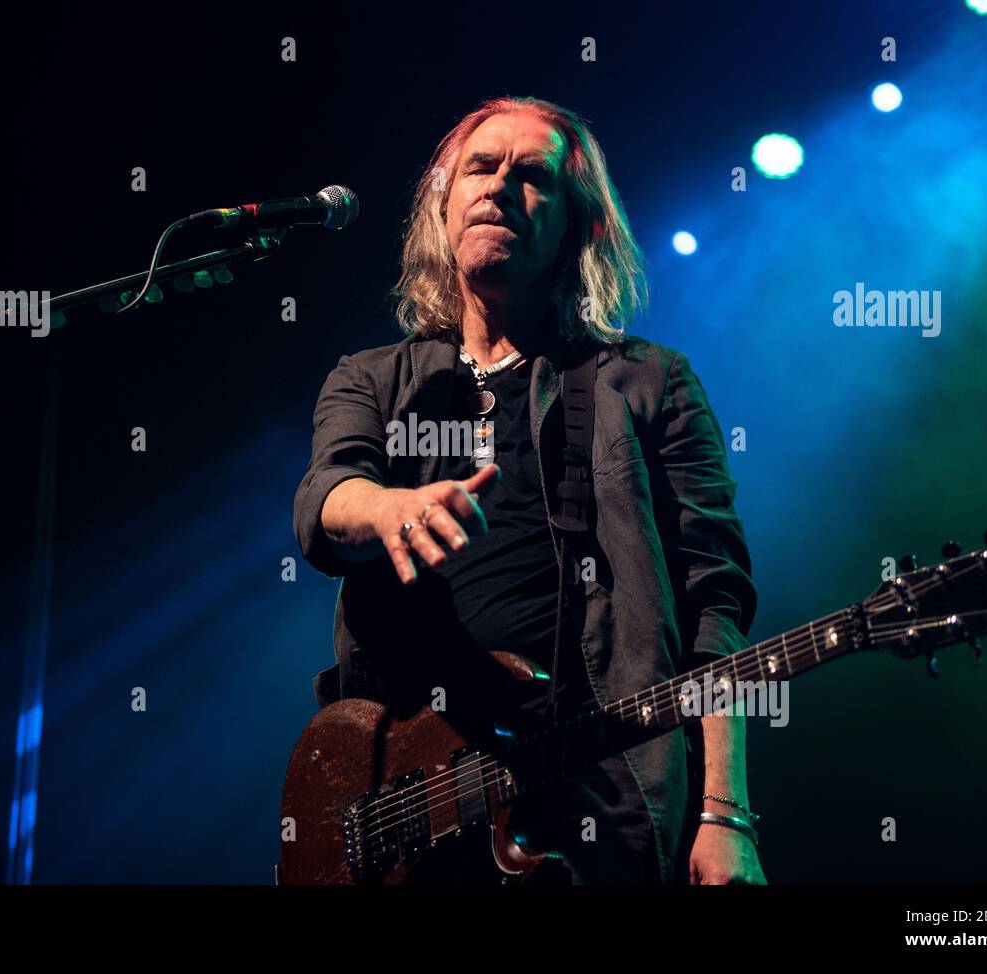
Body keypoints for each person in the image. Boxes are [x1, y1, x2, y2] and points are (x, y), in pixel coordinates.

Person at [293, 95, 764, 884]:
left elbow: (713, 604)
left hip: (600, 791)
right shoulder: (371, 378)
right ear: (444, 203)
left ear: (576, 228)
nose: (500, 186)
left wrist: (726, 812)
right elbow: (325, 501)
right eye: (481, 166)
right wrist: (391, 509)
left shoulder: (649, 382)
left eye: (532, 176)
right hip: (400, 805)